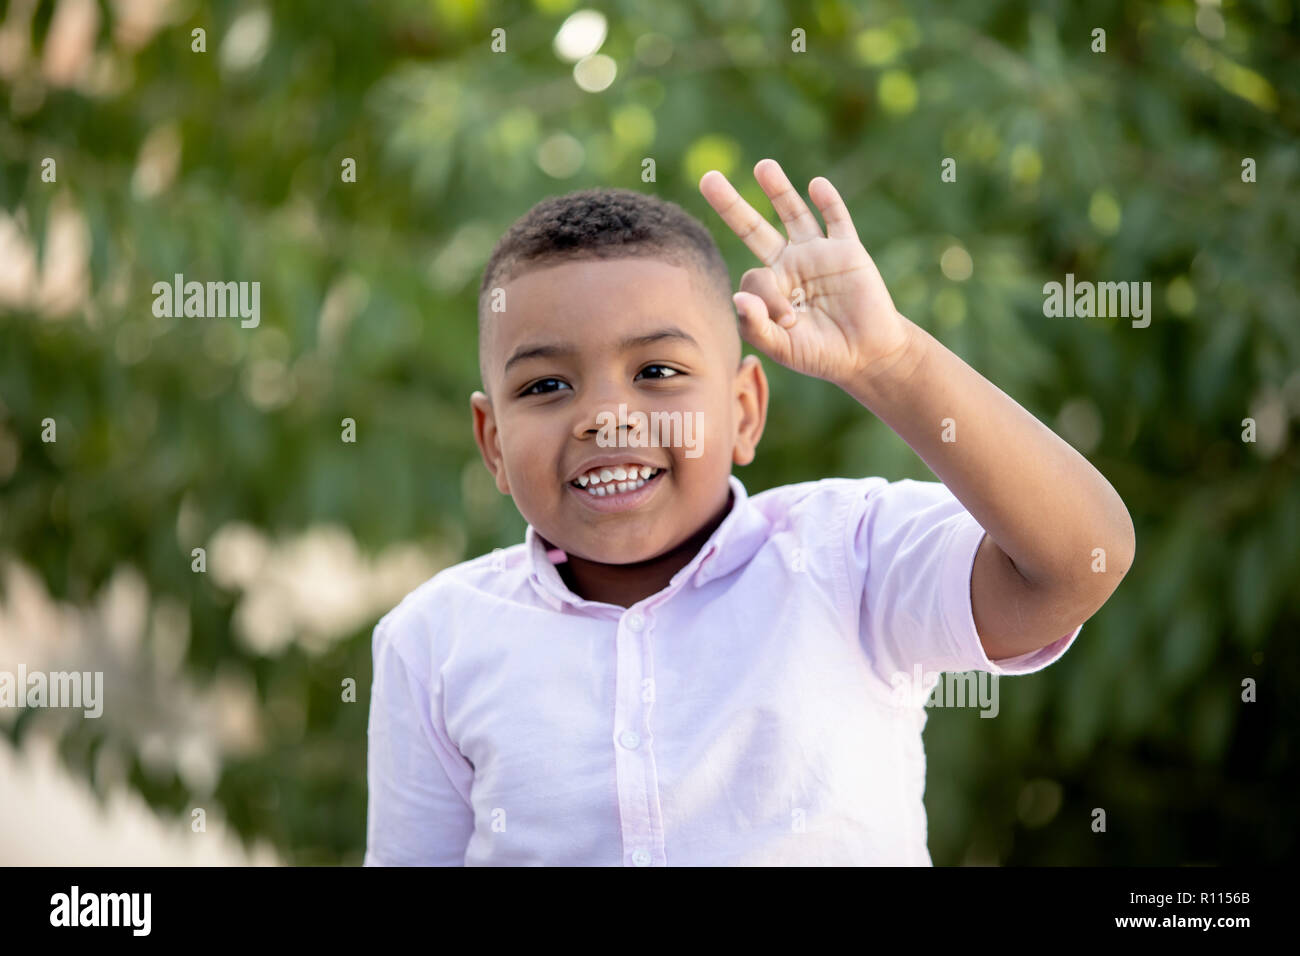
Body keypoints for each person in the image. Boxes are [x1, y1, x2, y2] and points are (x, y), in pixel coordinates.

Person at [363, 159, 1135, 866]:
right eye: (545, 387)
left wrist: (891, 361)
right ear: (492, 442)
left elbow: (1079, 561)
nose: (607, 417)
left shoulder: (849, 557)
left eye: (657, 371)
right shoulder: (434, 640)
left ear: (744, 411)